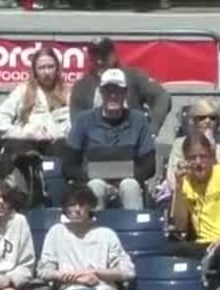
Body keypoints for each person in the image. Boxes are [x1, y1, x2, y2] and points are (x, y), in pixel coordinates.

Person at [62, 68, 156, 211]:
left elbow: (149, 165)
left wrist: (130, 176)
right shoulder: (84, 120)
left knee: (130, 186)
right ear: (101, 93)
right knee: (95, 186)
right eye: (108, 91)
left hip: (128, 180)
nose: (113, 96)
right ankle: (93, 224)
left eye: (118, 91)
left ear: (125, 93)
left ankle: (132, 224)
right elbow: (68, 166)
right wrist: (88, 176)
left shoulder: (139, 120)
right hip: (93, 180)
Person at [0, 46, 71, 199]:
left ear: (57, 68)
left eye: (50, 67)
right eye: (42, 68)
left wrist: (56, 133)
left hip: (56, 147)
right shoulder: (23, 91)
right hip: (26, 146)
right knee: (16, 150)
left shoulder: (68, 93)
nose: (46, 72)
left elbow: (74, 125)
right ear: (35, 70)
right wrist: (24, 133)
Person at [36, 185, 134, 290]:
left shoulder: (106, 234)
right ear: (65, 208)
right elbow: (44, 271)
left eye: (81, 204)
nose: (77, 209)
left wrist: (95, 272)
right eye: (72, 205)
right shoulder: (56, 232)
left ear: (90, 206)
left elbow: (128, 271)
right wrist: (75, 278)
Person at [68, 38, 172, 138]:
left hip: (132, 137)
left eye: (104, 56)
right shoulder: (82, 87)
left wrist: (152, 129)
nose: (99, 61)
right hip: (96, 141)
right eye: (95, 57)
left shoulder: (133, 76)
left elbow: (162, 97)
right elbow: (77, 120)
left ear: (113, 55)